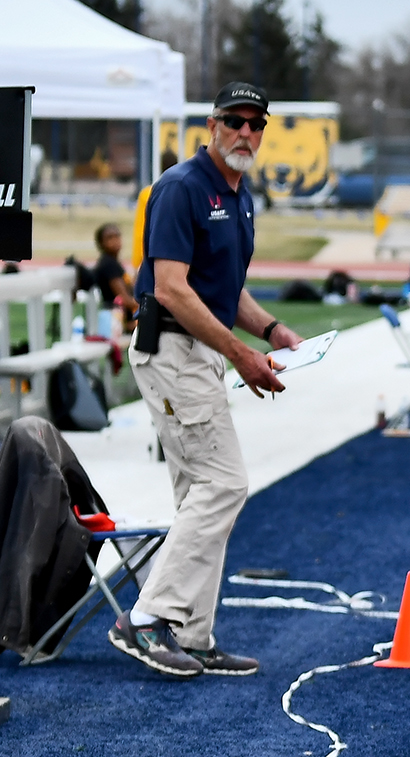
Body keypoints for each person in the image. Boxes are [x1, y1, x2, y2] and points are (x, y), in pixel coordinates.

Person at [109, 82, 304, 679]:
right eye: (235, 121)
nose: (246, 132)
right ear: (212, 126)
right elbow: (170, 287)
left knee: (201, 496)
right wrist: (241, 354)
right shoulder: (181, 187)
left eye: (256, 123)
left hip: (197, 355)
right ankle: (144, 619)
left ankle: (193, 633)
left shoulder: (239, 194)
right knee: (224, 485)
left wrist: (270, 330)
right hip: (171, 351)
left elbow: (222, 288)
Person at [130, 149, 181, 274]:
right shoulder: (186, 192)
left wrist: (137, 262)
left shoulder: (148, 193)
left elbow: (140, 231)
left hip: (153, 256)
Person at [92, 223, 139, 334]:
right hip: (117, 320)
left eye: (117, 236)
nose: (115, 241)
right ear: (101, 243)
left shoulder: (114, 262)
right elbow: (125, 299)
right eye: (110, 238)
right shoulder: (109, 264)